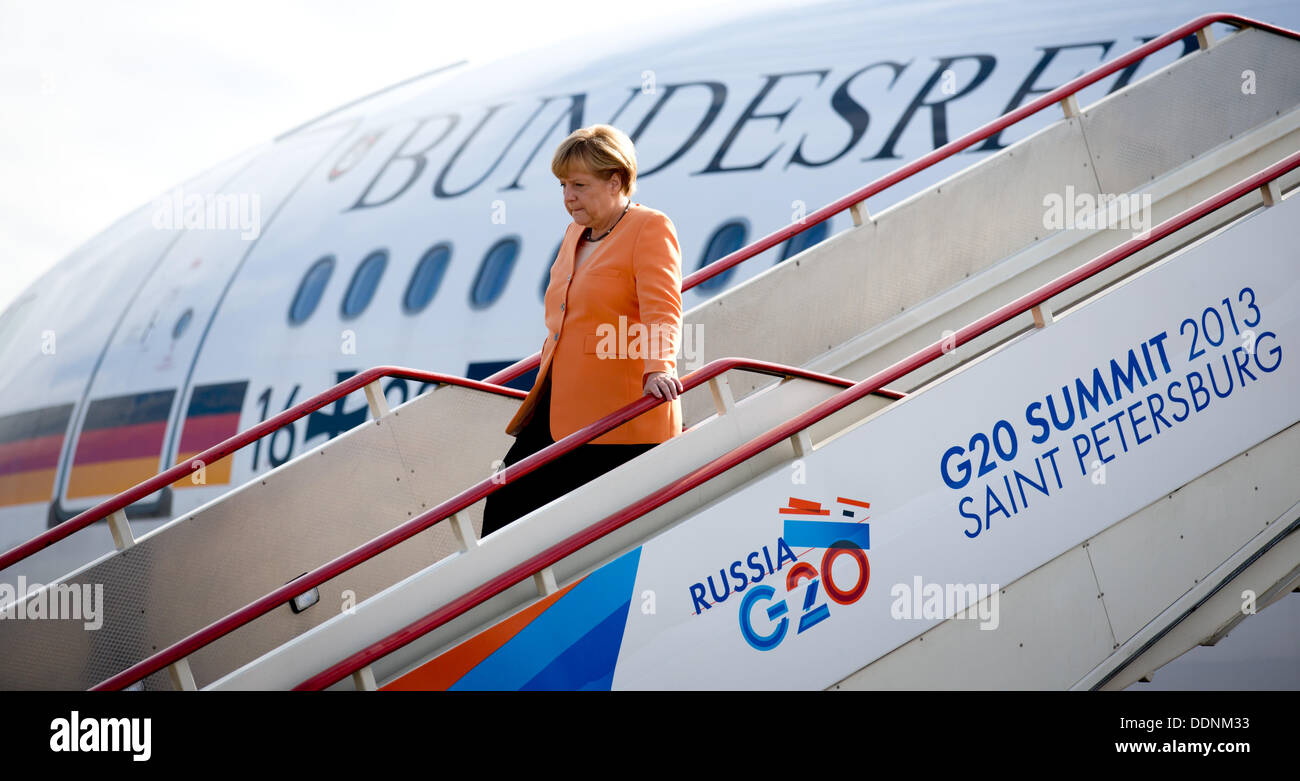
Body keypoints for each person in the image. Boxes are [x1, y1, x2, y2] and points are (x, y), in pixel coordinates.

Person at [481, 124, 684, 538]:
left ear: (616, 181)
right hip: (561, 405)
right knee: (504, 503)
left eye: (578, 184)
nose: (567, 197)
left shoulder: (649, 227)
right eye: (562, 185)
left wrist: (658, 368)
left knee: (564, 526)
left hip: (618, 418)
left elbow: (662, 308)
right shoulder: (577, 233)